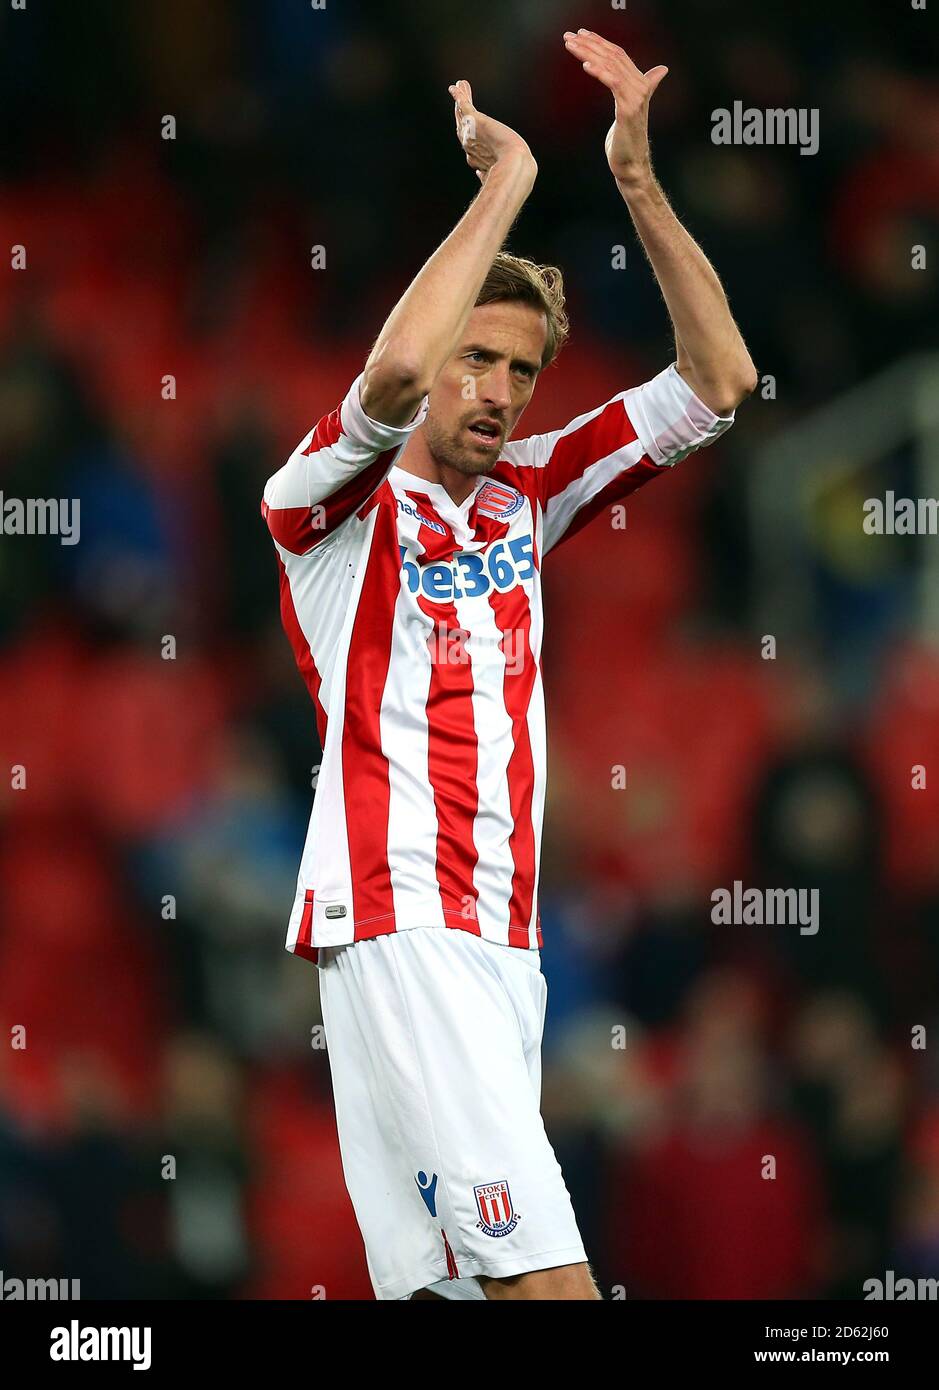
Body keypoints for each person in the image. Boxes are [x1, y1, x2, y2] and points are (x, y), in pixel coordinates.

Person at [261, 28, 756, 1301]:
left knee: (442, 1292)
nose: (494, 391)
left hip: (500, 942)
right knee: (548, 1282)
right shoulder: (326, 505)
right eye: (479, 360)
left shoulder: (532, 491)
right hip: (403, 912)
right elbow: (394, 371)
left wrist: (637, 184)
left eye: (521, 371)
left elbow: (721, 378)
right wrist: (505, 186)